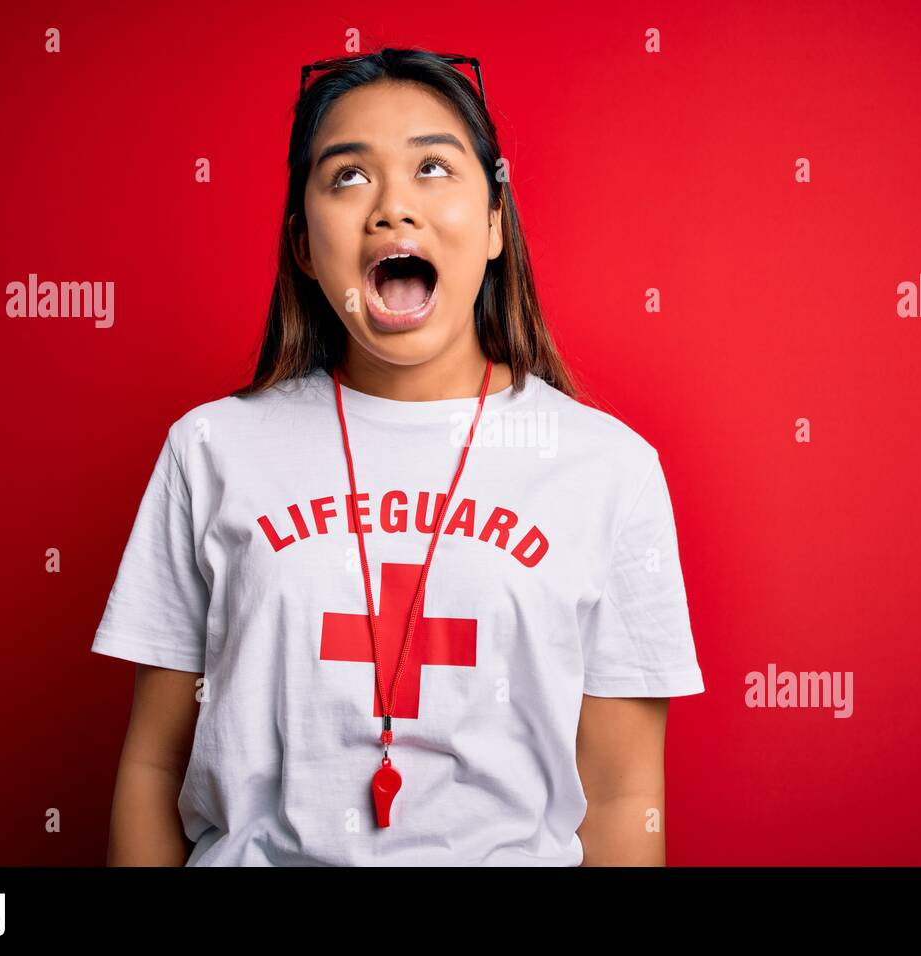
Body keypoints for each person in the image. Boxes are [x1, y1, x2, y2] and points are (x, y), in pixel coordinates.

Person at [91, 47, 705, 866]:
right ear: (305, 246)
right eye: (347, 177)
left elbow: (626, 797)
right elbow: (153, 762)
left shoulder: (609, 470)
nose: (391, 209)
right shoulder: (210, 451)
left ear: (493, 223)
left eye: (433, 168)